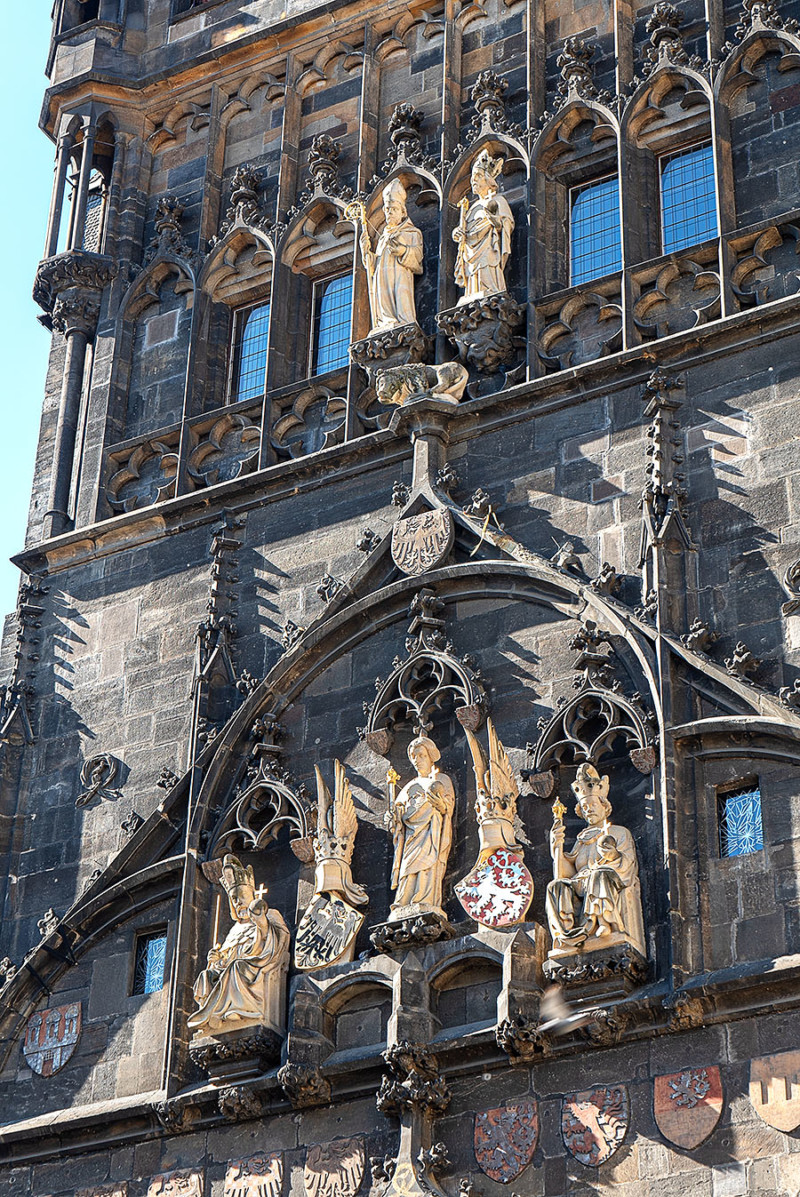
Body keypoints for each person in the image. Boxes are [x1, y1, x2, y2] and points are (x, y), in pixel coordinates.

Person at [545, 763, 644, 955]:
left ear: (604, 807)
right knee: (555, 886)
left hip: (605, 881)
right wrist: (556, 845)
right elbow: (566, 872)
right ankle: (567, 934)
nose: (588, 809)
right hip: (581, 883)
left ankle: (605, 922)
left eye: (592, 805)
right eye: (584, 807)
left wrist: (612, 854)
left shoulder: (618, 832)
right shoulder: (581, 839)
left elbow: (627, 865)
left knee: (599, 874)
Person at [189, 854, 289, 1037]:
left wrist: (261, 922)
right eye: (234, 899)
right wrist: (216, 960)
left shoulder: (270, 914)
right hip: (236, 971)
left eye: (242, 896)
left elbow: (279, 941)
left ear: (252, 894)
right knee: (207, 975)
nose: (238, 902)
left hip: (256, 967)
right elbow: (226, 961)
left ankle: (240, 1011)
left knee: (236, 968)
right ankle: (213, 1015)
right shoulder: (235, 929)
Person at [388, 734, 455, 919]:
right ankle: (405, 901)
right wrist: (393, 818)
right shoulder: (408, 788)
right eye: (414, 756)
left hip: (430, 833)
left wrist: (440, 805)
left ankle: (425, 900)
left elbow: (447, 806)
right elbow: (398, 817)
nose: (417, 760)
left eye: (421, 755)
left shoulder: (441, 781)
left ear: (430, 757)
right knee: (407, 868)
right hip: (411, 838)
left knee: (427, 868)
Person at [359, 178, 424, 332]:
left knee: (401, 297)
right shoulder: (383, 237)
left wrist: (403, 251)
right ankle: (385, 321)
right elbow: (373, 266)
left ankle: (404, 320)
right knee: (384, 300)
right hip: (383, 278)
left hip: (400, 276)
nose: (390, 213)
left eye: (393, 209)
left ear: (403, 211)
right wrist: (366, 253)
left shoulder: (412, 232)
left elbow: (418, 259)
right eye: (387, 210)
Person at [453, 149, 514, 304]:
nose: (474, 181)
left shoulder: (498, 200)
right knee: (473, 276)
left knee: (488, 269)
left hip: (488, 247)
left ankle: (492, 291)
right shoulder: (471, 208)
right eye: (473, 178)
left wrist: (493, 219)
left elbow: (505, 224)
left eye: (478, 177)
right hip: (471, 251)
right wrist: (457, 233)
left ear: (488, 180)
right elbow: (464, 230)